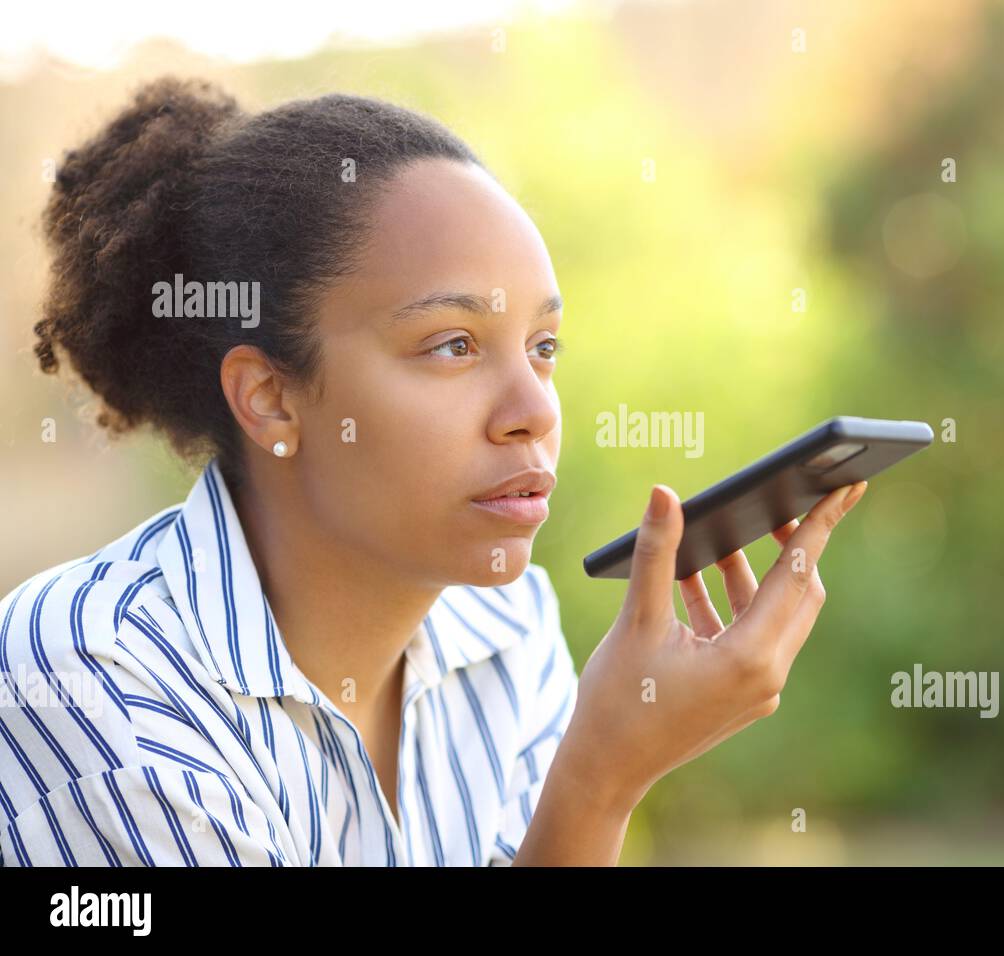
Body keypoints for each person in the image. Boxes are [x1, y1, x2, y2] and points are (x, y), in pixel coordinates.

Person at [0, 76, 868, 866]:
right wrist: (599, 779)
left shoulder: (505, 625)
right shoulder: (89, 674)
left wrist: (606, 771)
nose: (535, 408)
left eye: (543, 348)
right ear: (270, 399)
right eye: (452, 345)